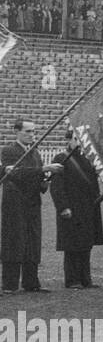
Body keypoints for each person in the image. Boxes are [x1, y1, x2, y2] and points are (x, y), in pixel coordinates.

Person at [1, 120, 51, 294]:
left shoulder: (35, 153)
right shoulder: (8, 151)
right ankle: (10, 284)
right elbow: (18, 173)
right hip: (14, 203)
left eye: (33, 131)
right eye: (27, 131)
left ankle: (31, 283)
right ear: (17, 131)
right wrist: (43, 169)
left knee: (32, 242)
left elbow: (35, 176)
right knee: (14, 241)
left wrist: (44, 181)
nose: (31, 134)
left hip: (33, 203)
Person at [49, 129, 103, 289]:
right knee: (72, 245)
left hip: (87, 208)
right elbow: (57, 187)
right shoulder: (61, 158)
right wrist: (63, 207)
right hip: (71, 208)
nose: (79, 143)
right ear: (69, 141)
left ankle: (86, 279)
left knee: (86, 244)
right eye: (75, 139)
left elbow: (92, 181)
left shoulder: (86, 159)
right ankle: (72, 280)